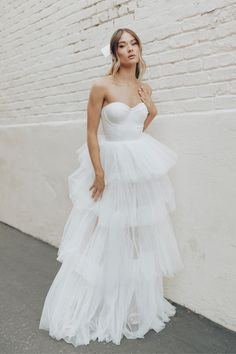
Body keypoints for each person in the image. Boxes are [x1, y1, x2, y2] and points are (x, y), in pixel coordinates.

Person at [39, 27, 184, 347]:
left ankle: (130, 304)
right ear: (115, 52)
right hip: (110, 167)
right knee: (102, 232)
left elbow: (135, 128)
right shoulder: (101, 86)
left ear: (139, 49)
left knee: (136, 235)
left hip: (139, 166)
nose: (130, 49)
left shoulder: (144, 88)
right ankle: (93, 304)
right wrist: (99, 173)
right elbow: (91, 133)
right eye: (122, 45)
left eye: (134, 43)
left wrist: (153, 111)